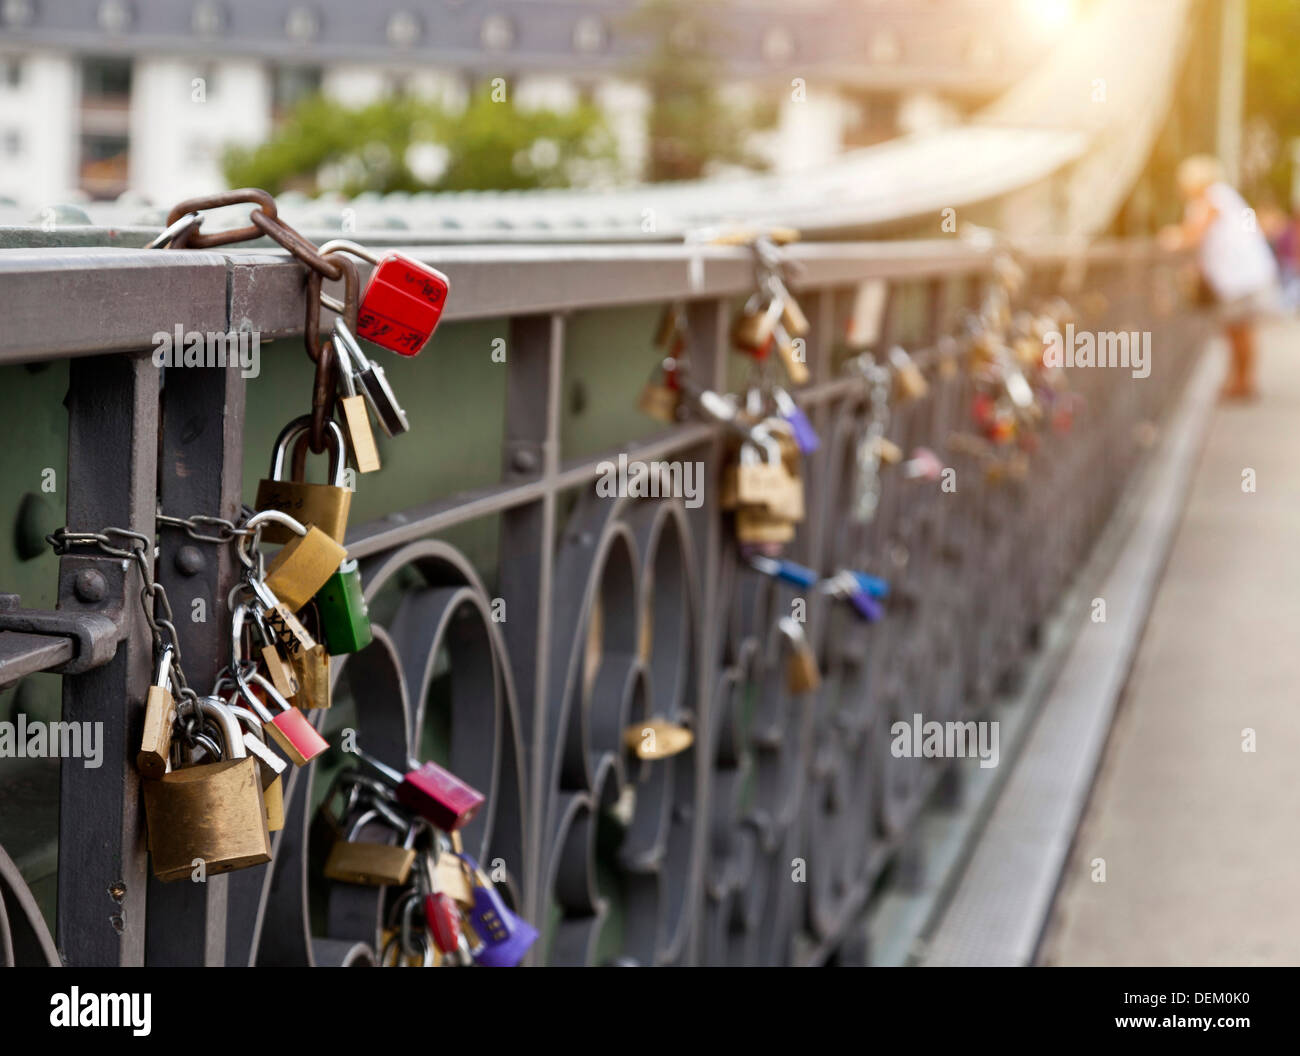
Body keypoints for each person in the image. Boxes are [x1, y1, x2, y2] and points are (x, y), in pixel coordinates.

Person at [1159, 155, 1279, 400]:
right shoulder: (1222, 196)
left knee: (1239, 329)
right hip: (1241, 274)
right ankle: (1241, 381)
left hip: (1239, 276)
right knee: (1239, 329)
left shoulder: (1213, 196)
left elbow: (1195, 233)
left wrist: (1173, 238)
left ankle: (1243, 383)